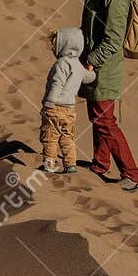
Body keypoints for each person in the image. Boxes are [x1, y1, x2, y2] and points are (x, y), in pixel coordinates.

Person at [79, 0, 138, 191]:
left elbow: (114, 41)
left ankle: (132, 175)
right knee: (99, 118)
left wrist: (91, 61)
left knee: (105, 121)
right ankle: (100, 164)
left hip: (104, 67)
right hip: (96, 64)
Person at [40, 28, 94, 175]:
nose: (52, 48)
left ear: (65, 45)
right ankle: (70, 165)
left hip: (55, 108)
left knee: (50, 138)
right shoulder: (78, 65)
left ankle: (49, 165)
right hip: (70, 110)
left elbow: (57, 84)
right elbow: (89, 78)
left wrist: (49, 102)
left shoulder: (62, 64)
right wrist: (90, 70)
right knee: (67, 138)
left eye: (55, 45)